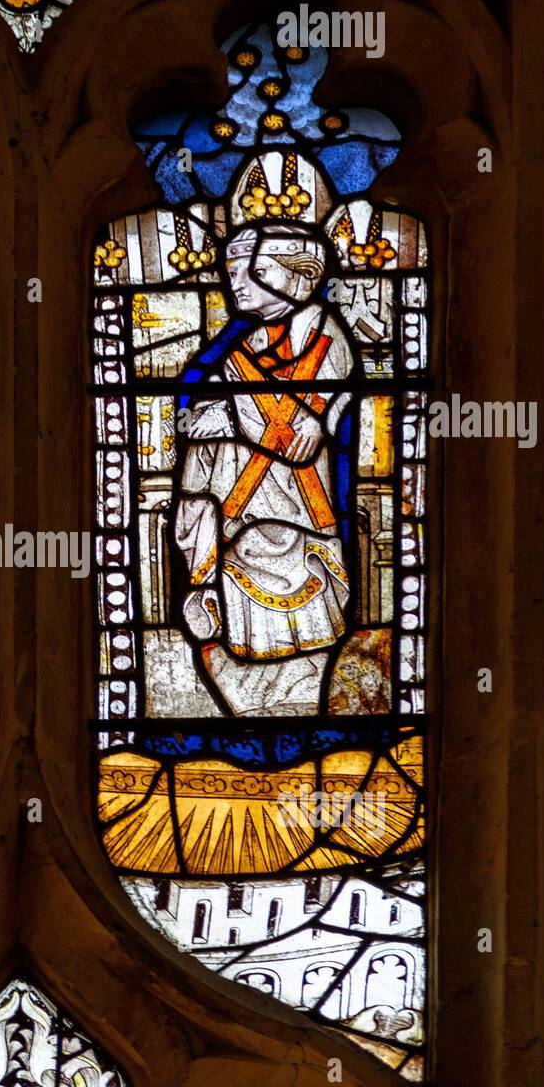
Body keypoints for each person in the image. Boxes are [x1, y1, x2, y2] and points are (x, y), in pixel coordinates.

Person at [173, 220, 354, 716]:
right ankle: (253, 712)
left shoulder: (325, 341)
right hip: (238, 511)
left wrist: (236, 413)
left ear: (291, 277)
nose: (234, 282)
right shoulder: (238, 353)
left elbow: (310, 433)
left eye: (248, 270)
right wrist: (220, 416)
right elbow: (198, 420)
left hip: (300, 511)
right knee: (238, 625)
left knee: (306, 627)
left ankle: (299, 710)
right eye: (229, 270)